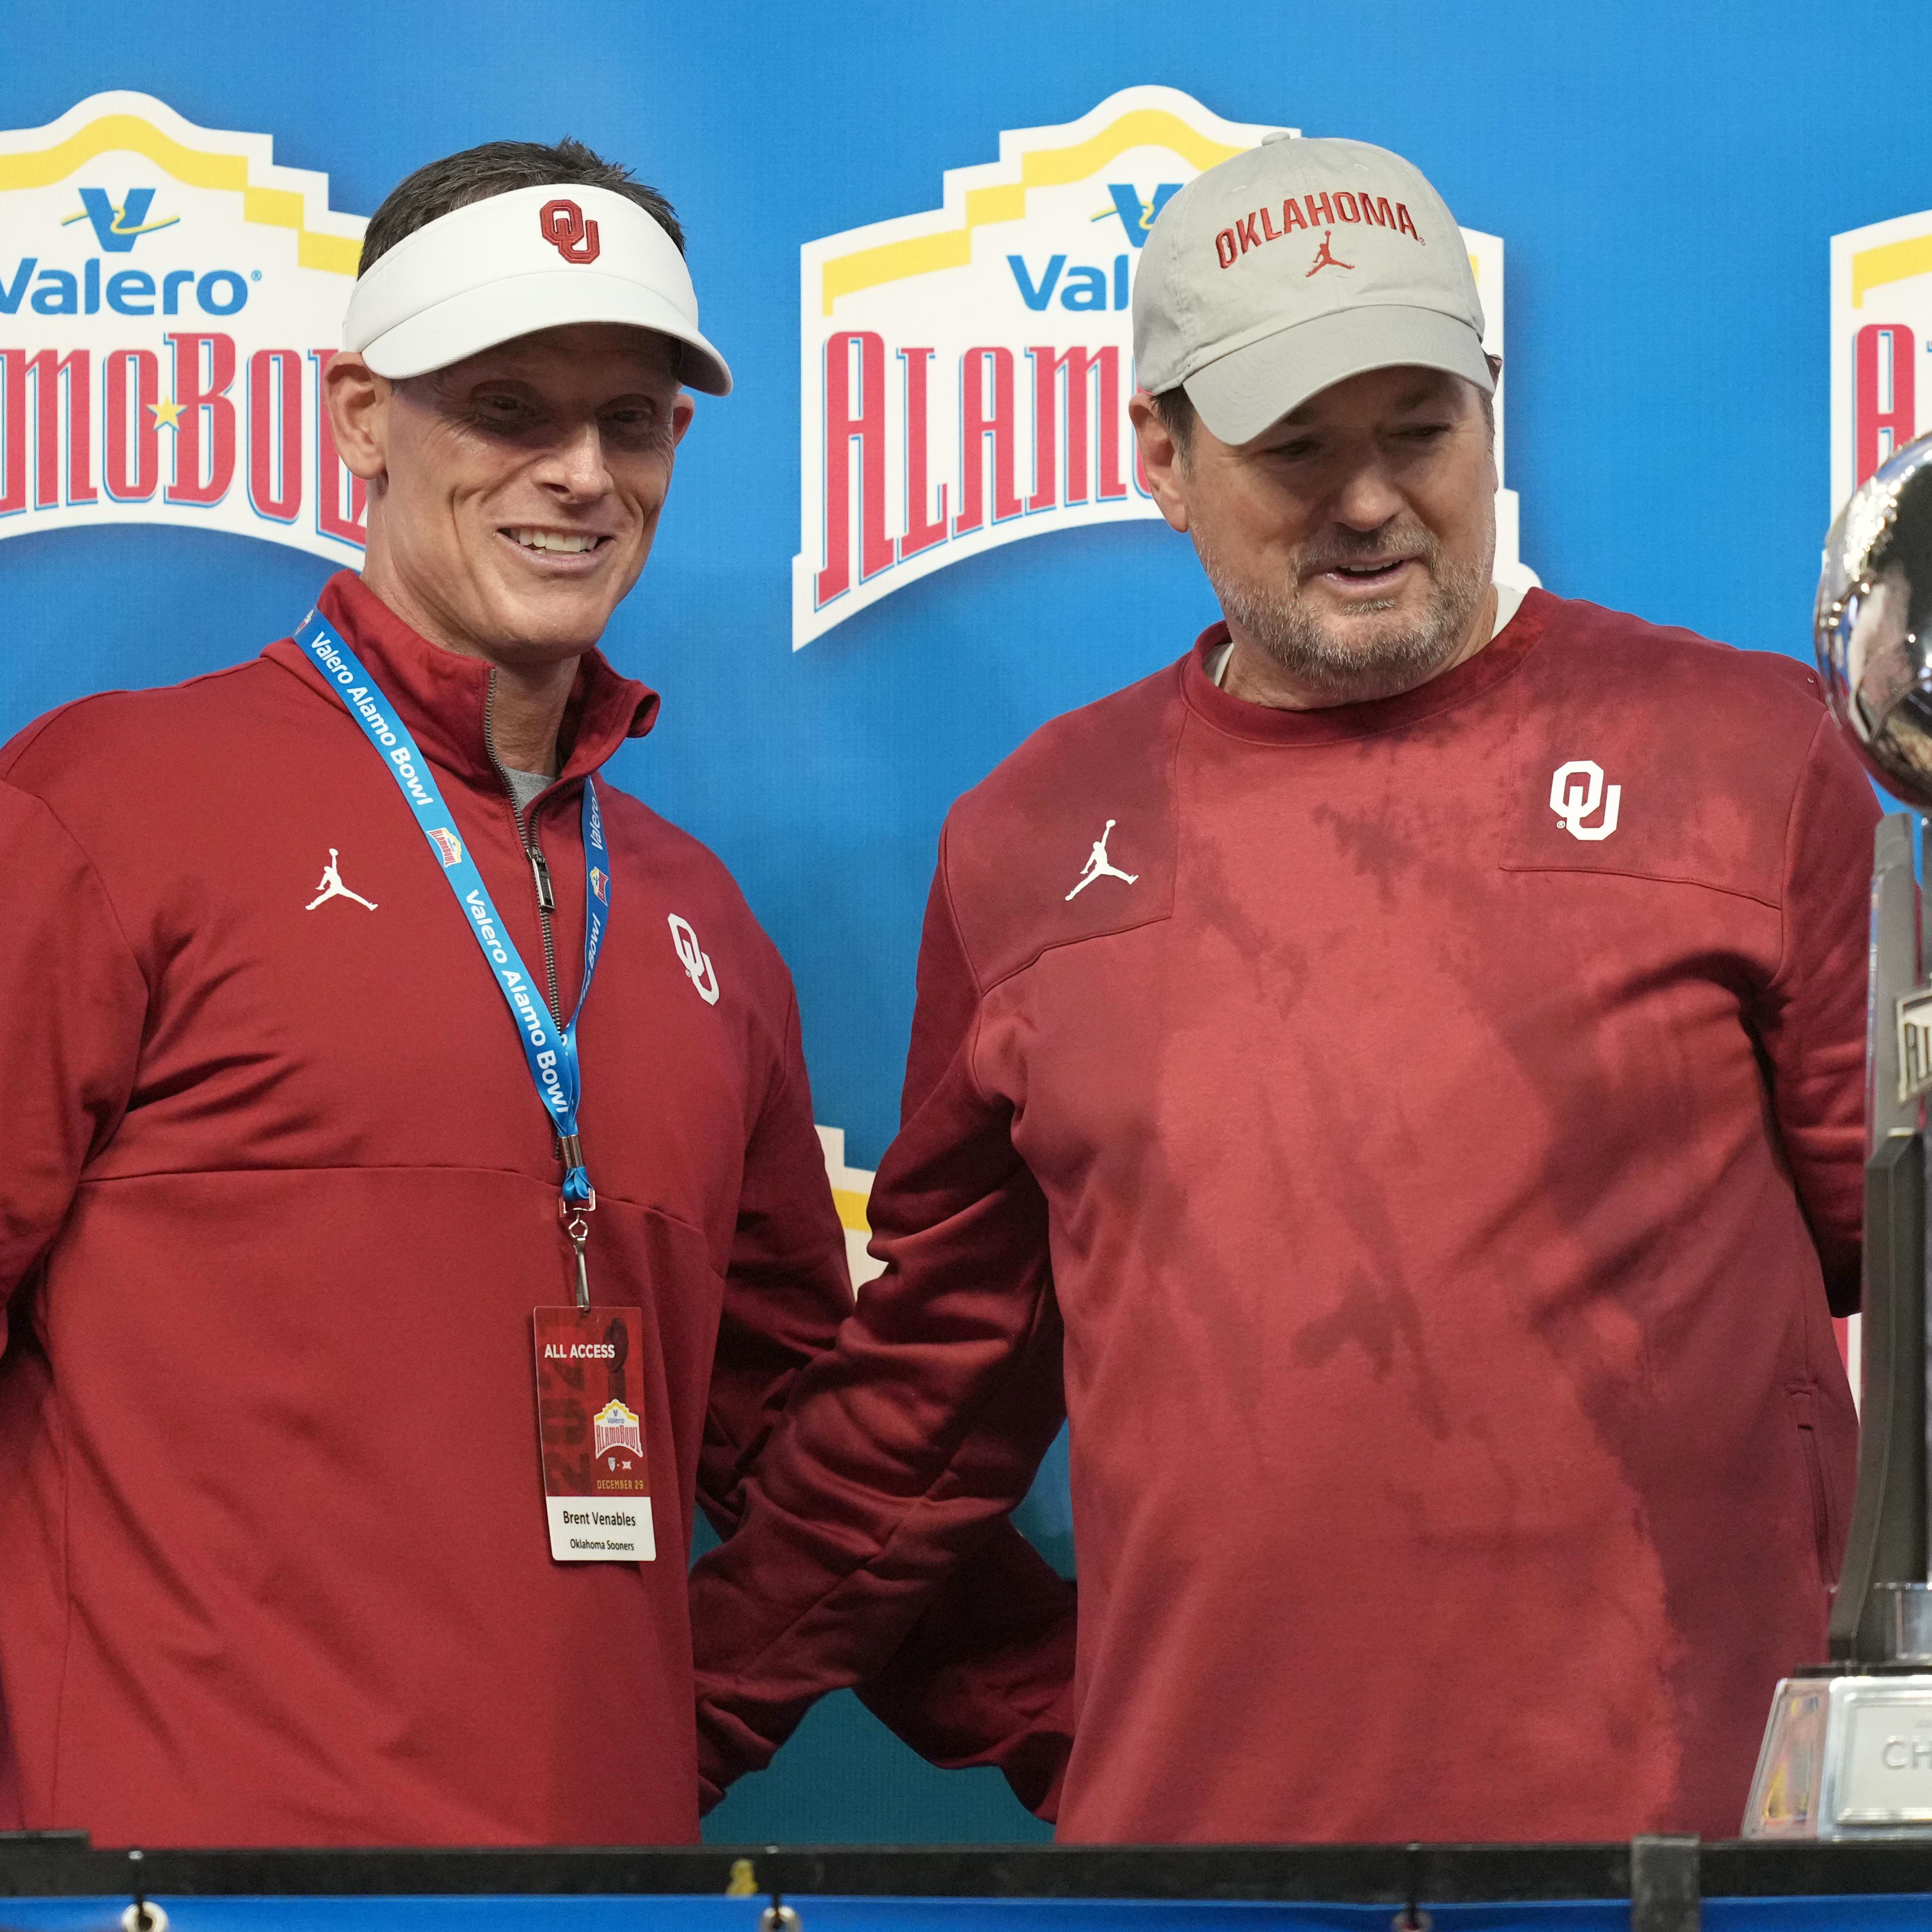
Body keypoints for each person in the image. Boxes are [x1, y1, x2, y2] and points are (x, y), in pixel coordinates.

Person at [687, 135, 1877, 1842]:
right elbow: (936, 1393)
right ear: (1161, 459)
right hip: (1204, 1867)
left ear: (1489, 412)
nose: (1374, 498)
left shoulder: (1747, 757)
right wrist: (669, 1725)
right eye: (1297, 447)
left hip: (1670, 1861)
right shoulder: (1029, 837)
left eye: (1418, 430)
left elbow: (1903, 1298)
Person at [0, 137, 1071, 1847]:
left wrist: (1116, 1740)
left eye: (629, 420)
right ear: (360, 415)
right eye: (507, 407)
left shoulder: (695, 924)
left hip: (600, 1880)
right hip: (178, 1886)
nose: (580, 474)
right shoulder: (100, 811)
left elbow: (817, 1461)